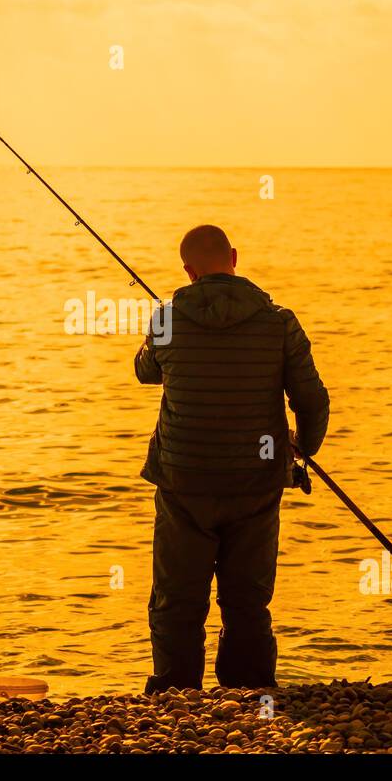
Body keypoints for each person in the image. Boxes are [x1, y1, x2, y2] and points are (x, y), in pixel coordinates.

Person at [135, 224, 329, 693]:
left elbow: (145, 371)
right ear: (235, 258)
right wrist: (303, 446)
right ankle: (249, 687)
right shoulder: (279, 322)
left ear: (189, 271)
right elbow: (312, 399)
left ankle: (177, 690)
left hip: (184, 479)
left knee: (178, 596)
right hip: (255, 479)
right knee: (247, 597)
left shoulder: (166, 320)